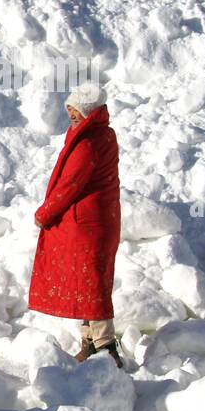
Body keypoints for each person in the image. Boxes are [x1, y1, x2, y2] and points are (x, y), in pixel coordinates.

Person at [28, 85, 123, 368]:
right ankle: (91, 343)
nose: (71, 113)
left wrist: (44, 214)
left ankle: (106, 349)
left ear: (90, 110)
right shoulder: (102, 135)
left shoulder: (88, 143)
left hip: (88, 225)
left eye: (76, 109)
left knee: (91, 283)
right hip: (99, 221)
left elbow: (70, 185)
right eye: (69, 108)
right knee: (89, 281)